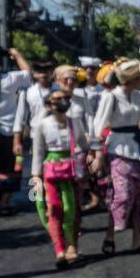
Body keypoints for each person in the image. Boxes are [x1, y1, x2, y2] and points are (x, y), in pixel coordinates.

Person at [91, 60, 140, 255]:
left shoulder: (138, 96)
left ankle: (136, 242)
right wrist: (97, 153)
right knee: (121, 194)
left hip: (137, 149)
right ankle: (112, 231)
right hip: (117, 150)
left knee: (139, 195)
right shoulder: (110, 97)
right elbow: (98, 126)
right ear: (134, 78)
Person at [29, 86, 88, 268]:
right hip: (50, 173)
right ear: (49, 104)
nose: (64, 102)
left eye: (66, 98)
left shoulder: (74, 122)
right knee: (53, 210)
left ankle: (71, 246)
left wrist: (91, 158)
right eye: (58, 99)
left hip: (71, 172)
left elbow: (83, 145)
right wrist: (36, 179)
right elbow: (38, 153)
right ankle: (60, 250)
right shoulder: (42, 125)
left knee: (71, 209)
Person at [0, 47, 32, 213]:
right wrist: (17, 55)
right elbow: (28, 73)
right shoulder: (11, 78)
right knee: (9, 168)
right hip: (8, 131)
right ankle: (5, 203)